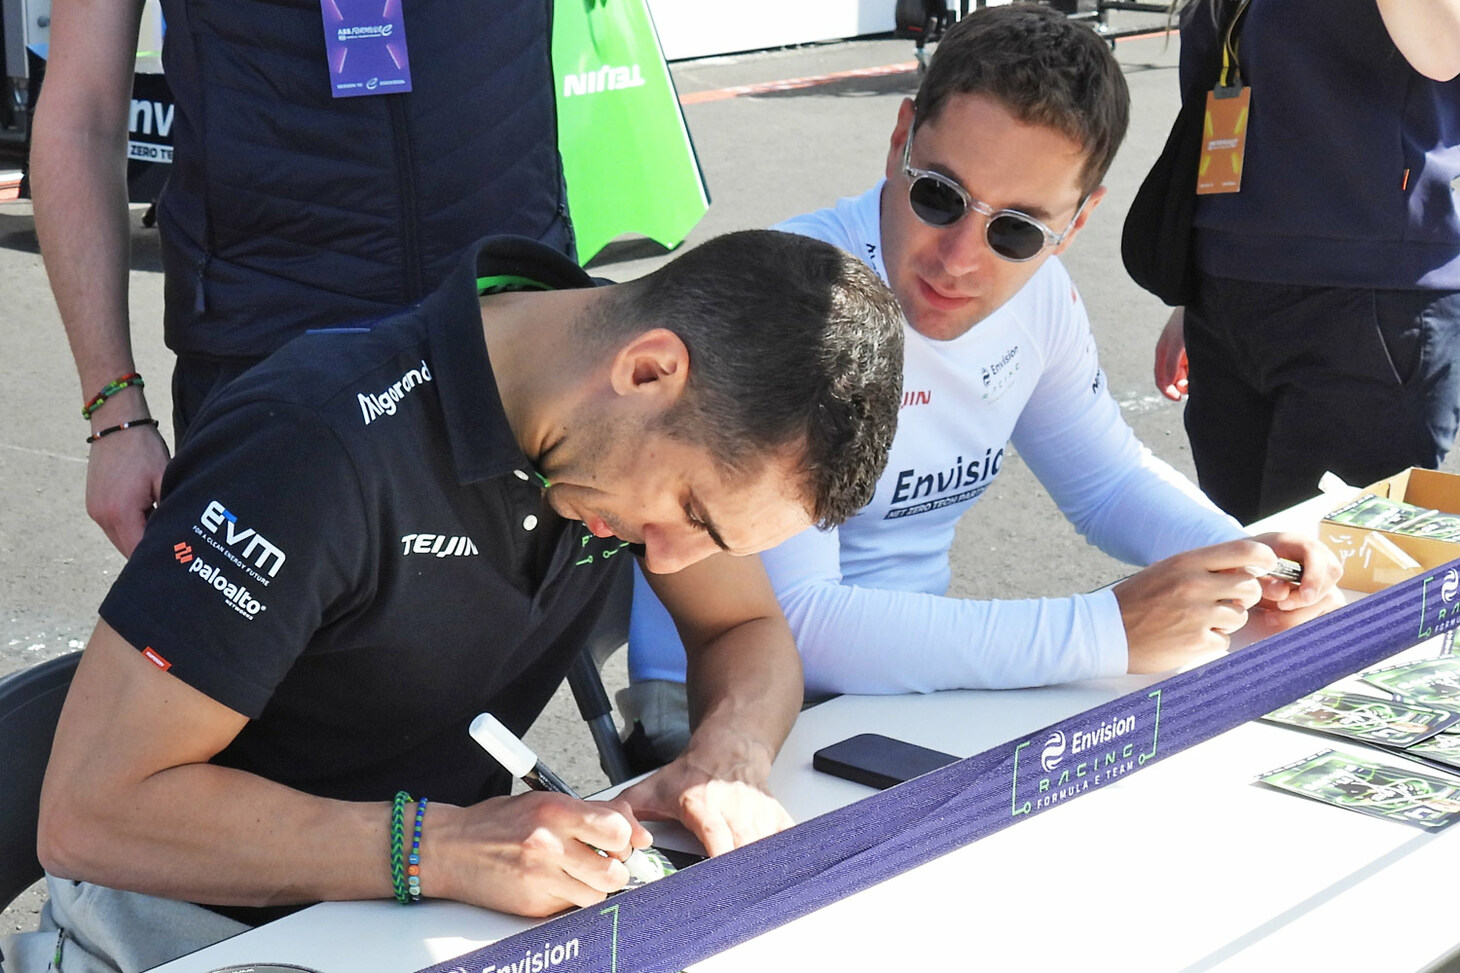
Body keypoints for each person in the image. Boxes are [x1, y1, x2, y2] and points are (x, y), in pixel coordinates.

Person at [0, 229, 903, 972]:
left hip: (431, 921)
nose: (669, 560)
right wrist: (439, 847)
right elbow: (91, 812)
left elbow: (744, 626)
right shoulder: (314, 448)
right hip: (195, 936)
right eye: (692, 512)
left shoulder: (606, 411)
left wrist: (730, 757)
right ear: (646, 371)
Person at [624, 3, 1343, 761]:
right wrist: (1106, 630)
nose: (961, 258)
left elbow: (1106, 483)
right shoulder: (796, 297)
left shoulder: (1042, 294)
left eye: (1018, 231)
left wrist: (1246, 554)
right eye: (938, 194)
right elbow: (798, 623)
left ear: (1077, 221)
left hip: (900, 687)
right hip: (728, 703)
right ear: (900, 137)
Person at [31, 0, 577, 557]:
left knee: (538, 638)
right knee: (266, 643)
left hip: (519, 337)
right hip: (271, 362)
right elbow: (83, 117)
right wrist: (114, 413)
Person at [1152, 0, 1460, 524]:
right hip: (1229, 289)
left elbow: (1447, 48)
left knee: (1330, 587)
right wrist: (1193, 290)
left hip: (1368, 304)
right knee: (1236, 576)